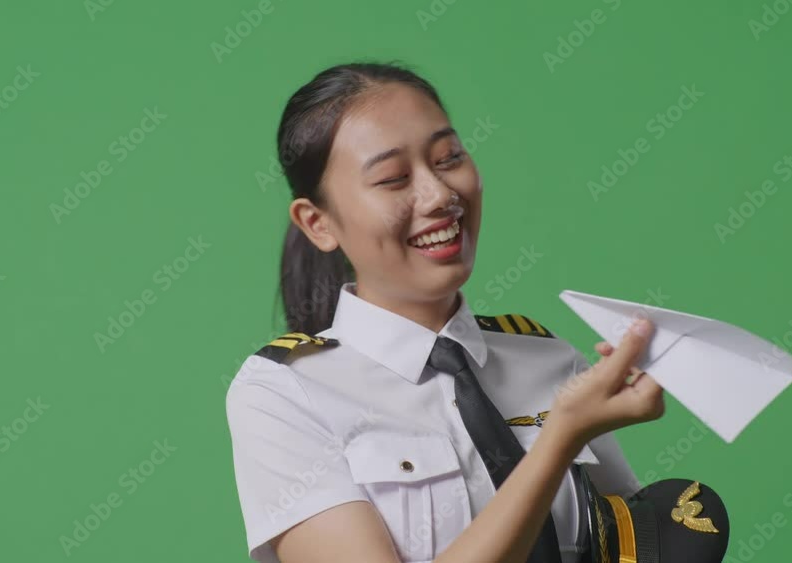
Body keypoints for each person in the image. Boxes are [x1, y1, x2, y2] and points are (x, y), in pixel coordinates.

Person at [225, 61, 666, 563]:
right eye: (392, 178)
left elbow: (623, 544)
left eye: (449, 157)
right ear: (318, 223)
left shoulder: (548, 358)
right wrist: (559, 438)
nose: (440, 195)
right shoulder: (285, 393)